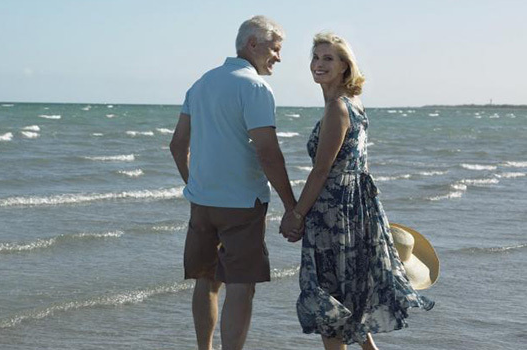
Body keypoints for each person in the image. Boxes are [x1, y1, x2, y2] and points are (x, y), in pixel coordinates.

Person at [279, 32, 434, 350]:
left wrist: (296, 214)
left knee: (329, 304)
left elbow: (322, 171)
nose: (319, 64)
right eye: (316, 57)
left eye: (328, 58)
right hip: (355, 208)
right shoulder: (352, 103)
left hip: (334, 213)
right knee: (347, 297)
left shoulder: (338, 107)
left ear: (345, 67)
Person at [170, 15, 298, 350]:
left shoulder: (200, 83)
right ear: (252, 44)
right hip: (241, 206)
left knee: (206, 281)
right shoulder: (254, 86)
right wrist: (292, 206)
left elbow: (177, 145)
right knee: (241, 285)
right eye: (275, 48)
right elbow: (269, 153)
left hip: (202, 205)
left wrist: (195, 184)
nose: (279, 57)